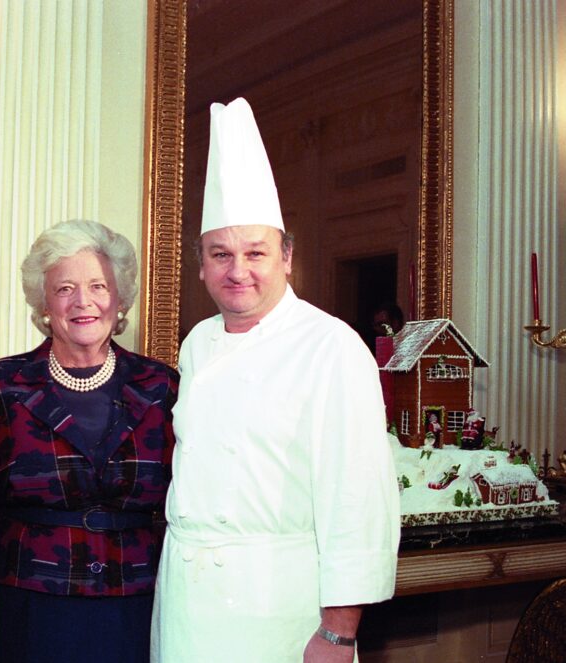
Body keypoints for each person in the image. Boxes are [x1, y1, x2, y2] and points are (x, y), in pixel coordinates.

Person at [151, 98, 401, 662]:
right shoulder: (197, 343)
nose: (238, 270)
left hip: (280, 611)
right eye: (220, 254)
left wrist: (339, 633)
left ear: (287, 257)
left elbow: (357, 499)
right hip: (188, 605)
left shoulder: (331, 346)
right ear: (201, 265)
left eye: (255, 252)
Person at [0, 220, 179, 663]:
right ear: (44, 302)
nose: (83, 302)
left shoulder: (161, 385)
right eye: (65, 288)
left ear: (119, 297)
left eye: (98, 286)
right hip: (32, 599)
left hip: (137, 598)